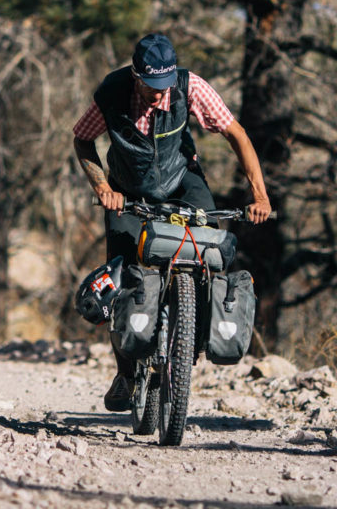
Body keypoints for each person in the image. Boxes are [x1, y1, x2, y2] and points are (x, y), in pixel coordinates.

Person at [72, 32, 272, 411]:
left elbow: (236, 134)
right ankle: (127, 372)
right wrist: (102, 187)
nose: (159, 93)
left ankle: (188, 336)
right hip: (127, 190)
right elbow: (82, 139)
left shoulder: (188, 86)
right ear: (136, 76)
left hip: (182, 181)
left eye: (163, 85)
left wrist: (259, 195)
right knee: (125, 271)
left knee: (209, 247)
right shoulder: (112, 92)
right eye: (151, 86)